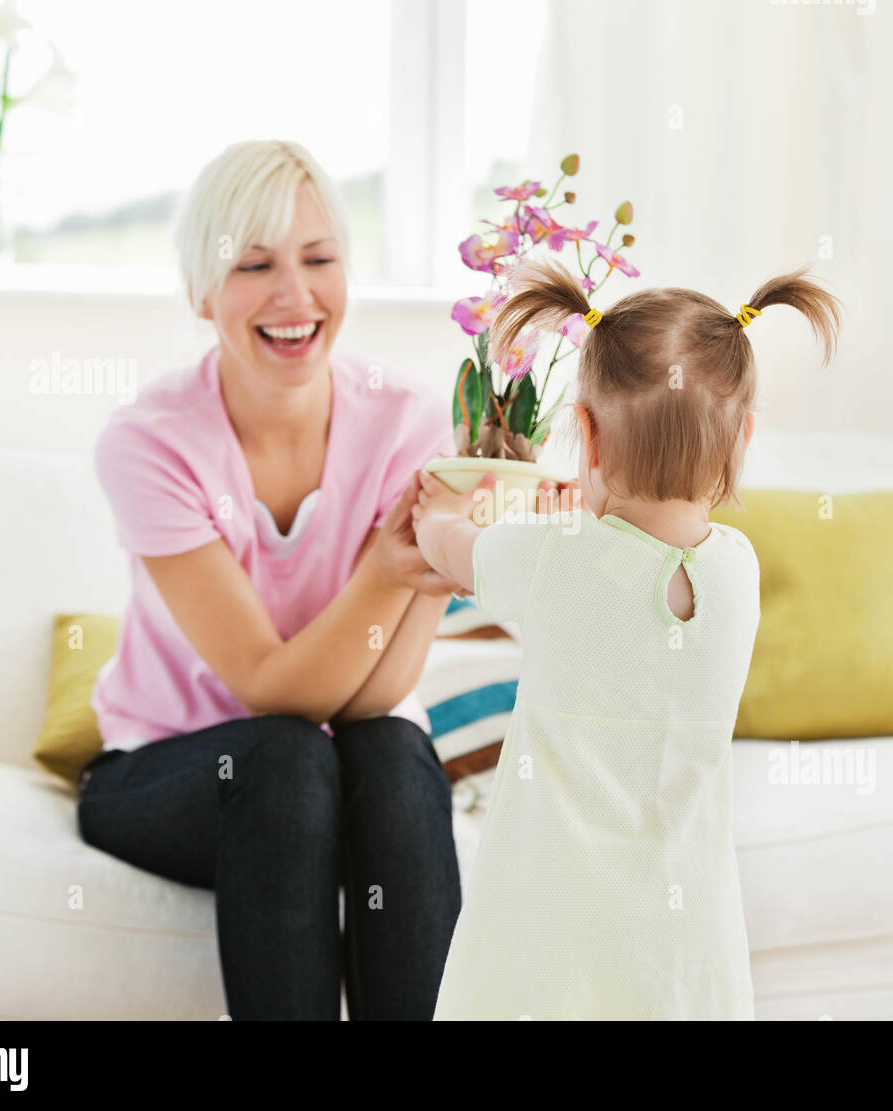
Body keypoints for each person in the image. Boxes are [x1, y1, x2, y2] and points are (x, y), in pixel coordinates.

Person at [76, 139, 570, 1020]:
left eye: (319, 260)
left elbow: (376, 701)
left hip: (339, 766)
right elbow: (270, 688)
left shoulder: (412, 419)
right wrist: (389, 566)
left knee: (390, 752)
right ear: (201, 292)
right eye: (254, 265)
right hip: (164, 774)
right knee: (285, 757)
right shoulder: (149, 442)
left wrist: (422, 559)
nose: (294, 295)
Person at [411, 257, 840, 1019]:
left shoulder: (552, 553)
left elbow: (456, 551)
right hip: (685, 940)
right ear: (742, 438)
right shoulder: (738, 573)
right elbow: (636, 578)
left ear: (586, 433)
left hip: (551, 935)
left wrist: (439, 514)